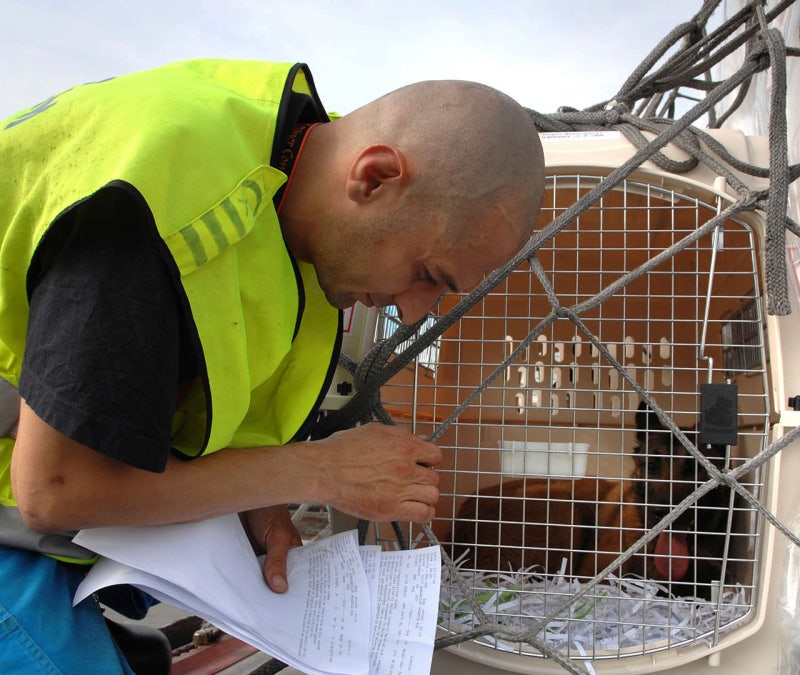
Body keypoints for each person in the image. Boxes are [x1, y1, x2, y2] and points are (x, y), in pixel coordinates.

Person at [0, 58, 545, 672]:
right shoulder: (159, 205)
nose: (417, 312)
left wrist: (259, 504)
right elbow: (57, 489)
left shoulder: (298, 201)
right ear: (373, 178)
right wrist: (316, 472)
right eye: (427, 276)